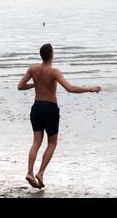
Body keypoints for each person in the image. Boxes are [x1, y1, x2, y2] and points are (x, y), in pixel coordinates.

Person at [18, 44, 101, 189]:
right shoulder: (54, 72)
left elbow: (20, 86)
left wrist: (36, 83)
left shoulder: (33, 69)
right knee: (52, 143)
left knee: (36, 142)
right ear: (52, 55)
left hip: (36, 108)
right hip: (50, 109)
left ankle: (30, 173)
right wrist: (89, 89)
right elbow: (70, 88)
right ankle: (41, 173)